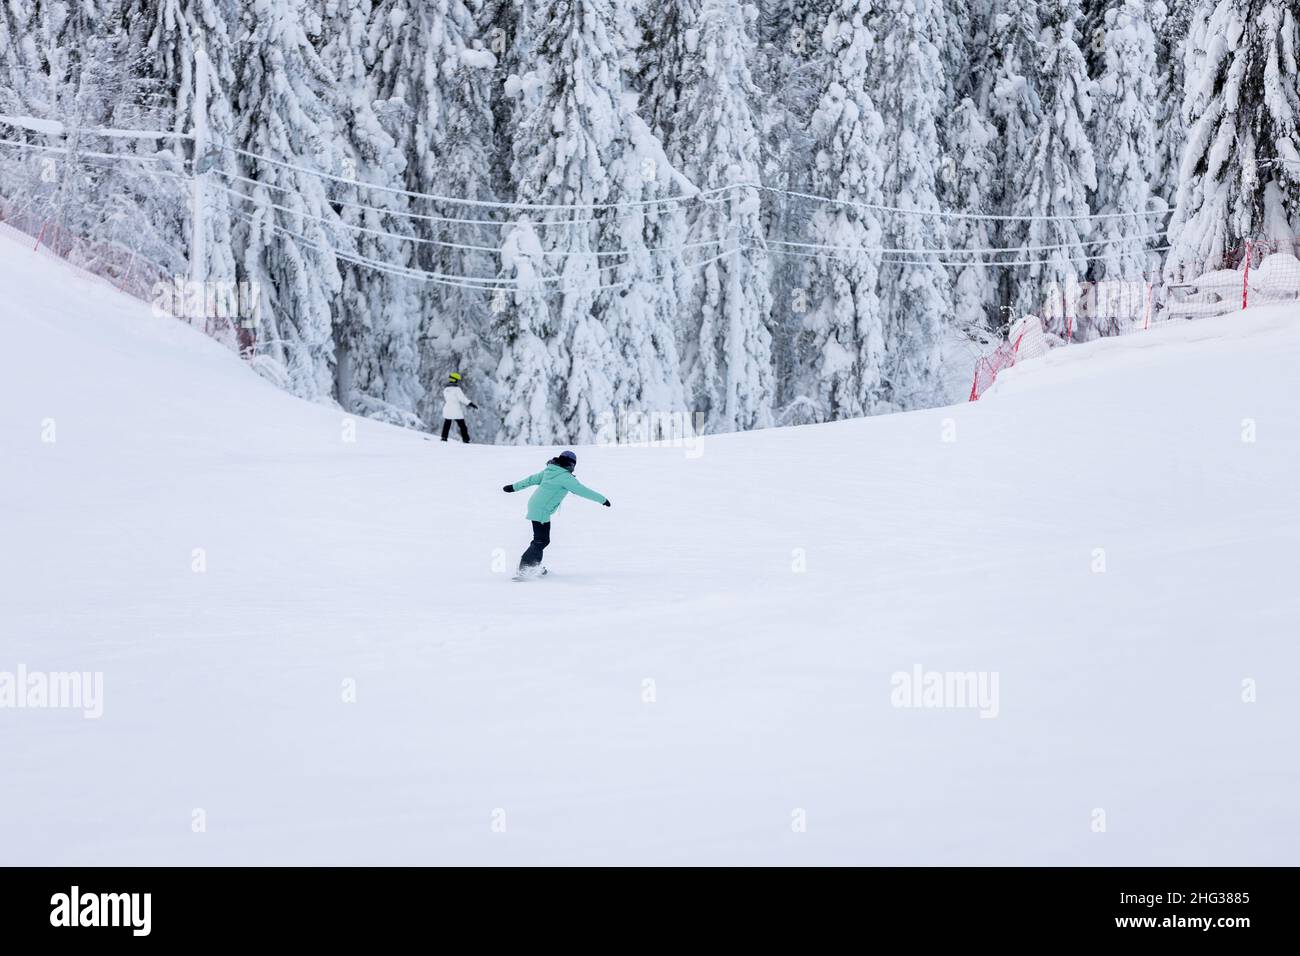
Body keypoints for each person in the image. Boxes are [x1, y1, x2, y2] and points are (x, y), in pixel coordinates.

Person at [502, 450, 610, 578]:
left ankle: (533, 566)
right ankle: (525, 568)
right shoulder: (565, 478)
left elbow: (531, 479)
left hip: (536, 506)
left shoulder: (549, 471)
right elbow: (582, 491)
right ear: (570, 464)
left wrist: (513, 487)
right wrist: (602, 499)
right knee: (541, 540)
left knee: (542, 540)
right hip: (542, 509)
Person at [440, 372, 477, 442]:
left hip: (447, 409)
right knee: (462, 426)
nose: (458, 381)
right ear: (455, 380)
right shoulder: (457, 389)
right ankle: (466, 439)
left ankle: (444, 438)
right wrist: (471, 403)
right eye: (457, 380)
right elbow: (462, 399)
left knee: (447, 424)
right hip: (455, 410)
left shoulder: (446, 389)